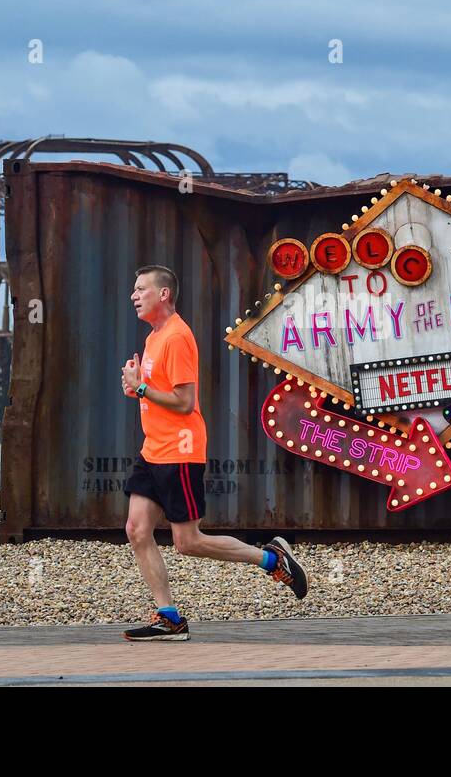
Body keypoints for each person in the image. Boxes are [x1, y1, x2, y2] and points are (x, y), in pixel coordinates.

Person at [120, 265, 307, 641]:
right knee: (137, 529)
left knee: (187, 542)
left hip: (180, 451)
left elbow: (185, 403)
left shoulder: (177, 336)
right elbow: (158, 395)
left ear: (164, 295)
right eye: (134, 289)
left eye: (141, 289)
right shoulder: (153, 337)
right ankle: (169, 618)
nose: (134, 296)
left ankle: (271, 559)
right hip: (153, 448)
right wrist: (136, 389)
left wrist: (141, 389)